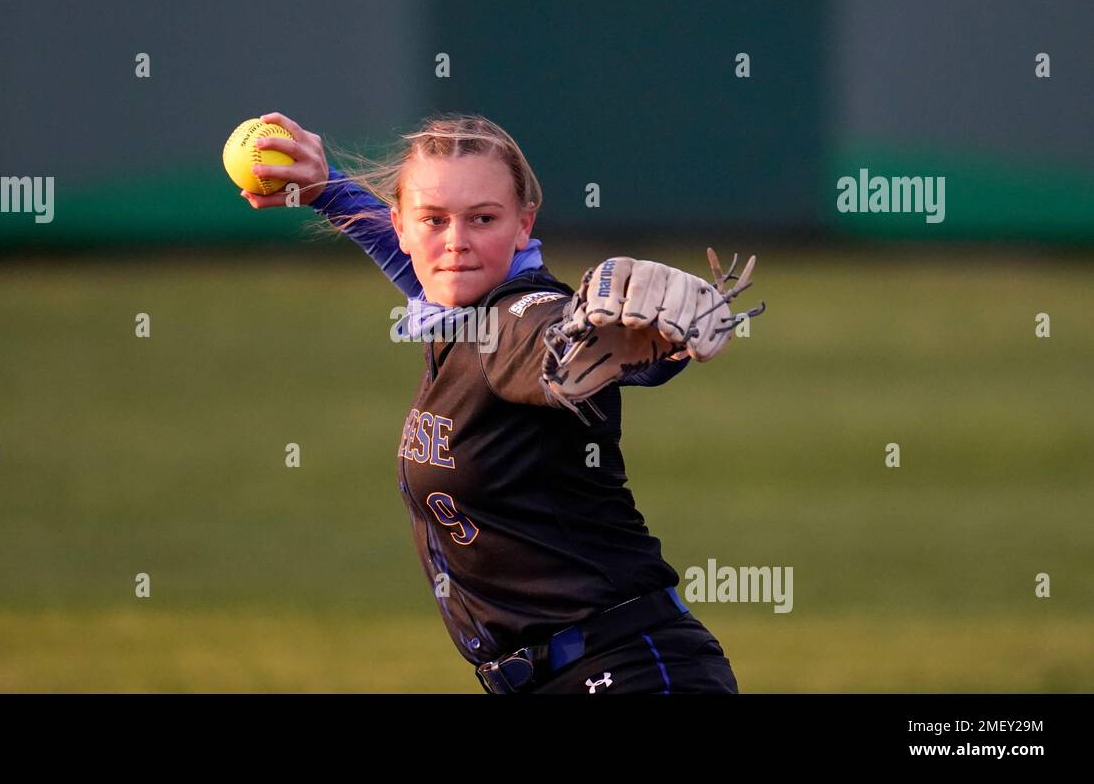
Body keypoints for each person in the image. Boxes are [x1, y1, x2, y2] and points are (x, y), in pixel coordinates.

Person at [240, 111, 741, 694]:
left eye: (483, 218)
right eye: (433, 219)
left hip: (632, 673)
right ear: (401, 224)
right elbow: (431, 269)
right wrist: (329, 192)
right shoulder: (458, 311)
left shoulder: (517, 315)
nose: (456, 242)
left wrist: (634, 349)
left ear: (523, 225)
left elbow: (550, 345)